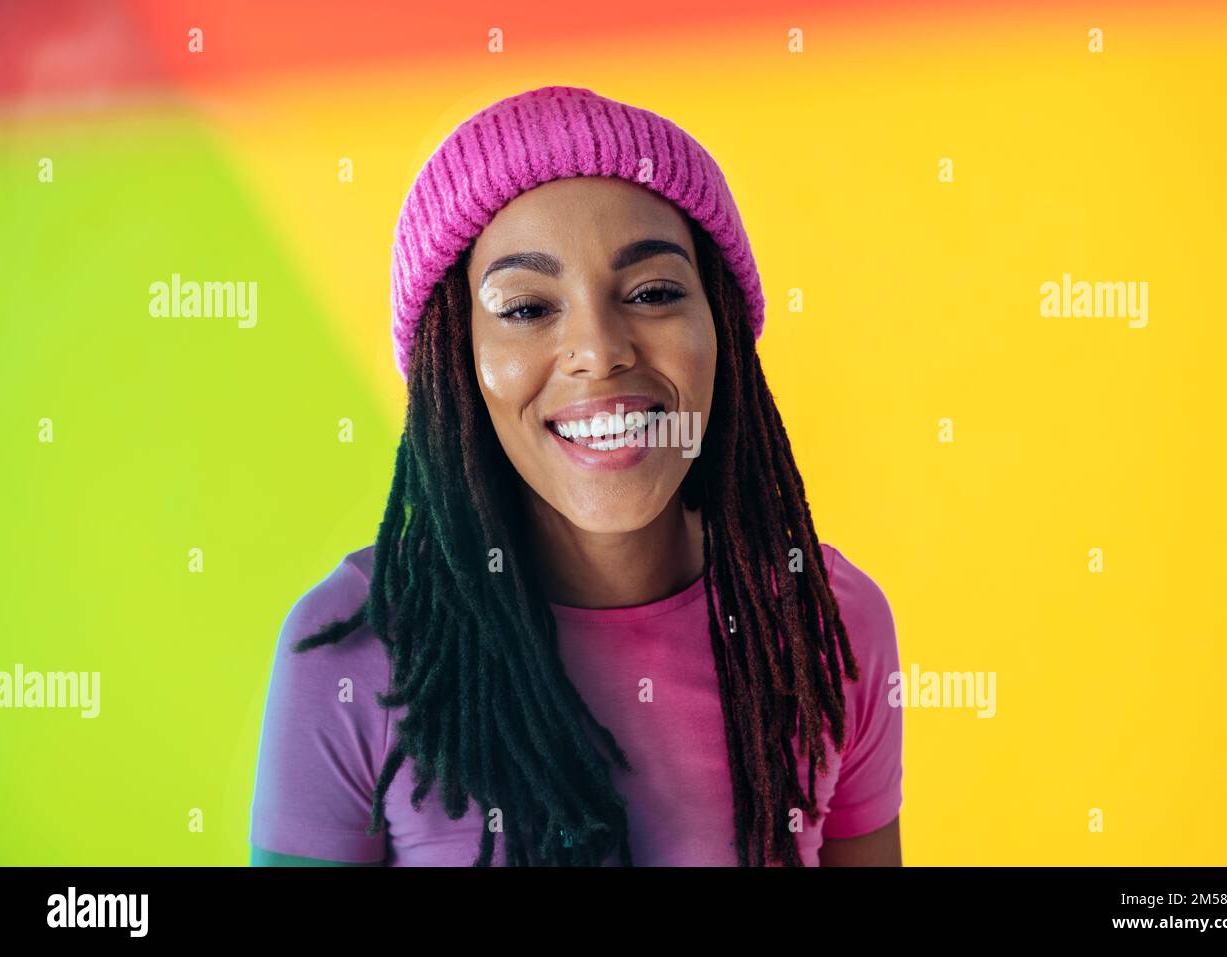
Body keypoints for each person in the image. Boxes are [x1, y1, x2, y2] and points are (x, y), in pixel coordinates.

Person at [249, 85, 902, 866]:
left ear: (721, 326)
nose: (600, 349)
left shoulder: (826, 625)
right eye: (527, 308)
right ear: (455, 363)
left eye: (654, 292)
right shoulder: (353, 653)